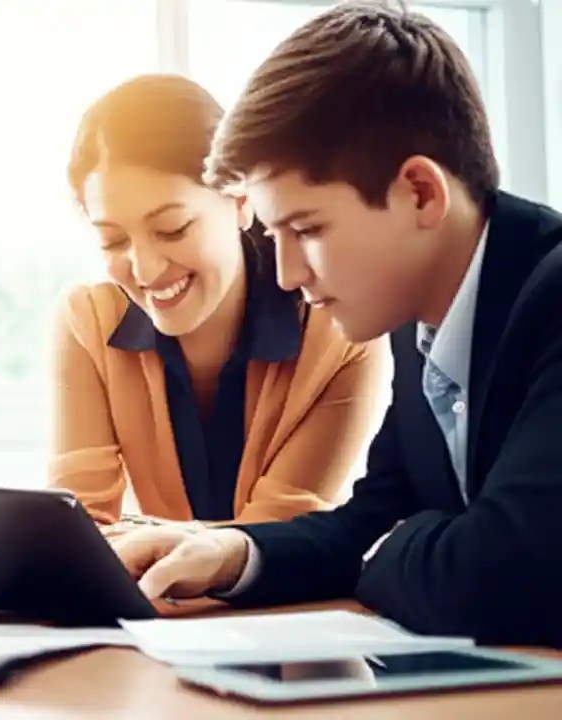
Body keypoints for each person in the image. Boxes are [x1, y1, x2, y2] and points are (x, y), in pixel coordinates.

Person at [109, 1, 562, 648]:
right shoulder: (417, 318)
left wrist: (390, 553)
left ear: (421, 193)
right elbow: (369, 524)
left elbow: (502, 574)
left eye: (308, 229)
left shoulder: (551, 299)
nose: (288, 273)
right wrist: (232, 552)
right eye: (273, 234)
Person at [54, 74, 387, 527]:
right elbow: (76, 528)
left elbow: (276, 541)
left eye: (172, 229)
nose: (145, 270)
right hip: (153, 594)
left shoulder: (338, 331)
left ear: (241, 200)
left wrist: (140, 547)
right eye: (113, 241)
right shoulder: (88, 322)